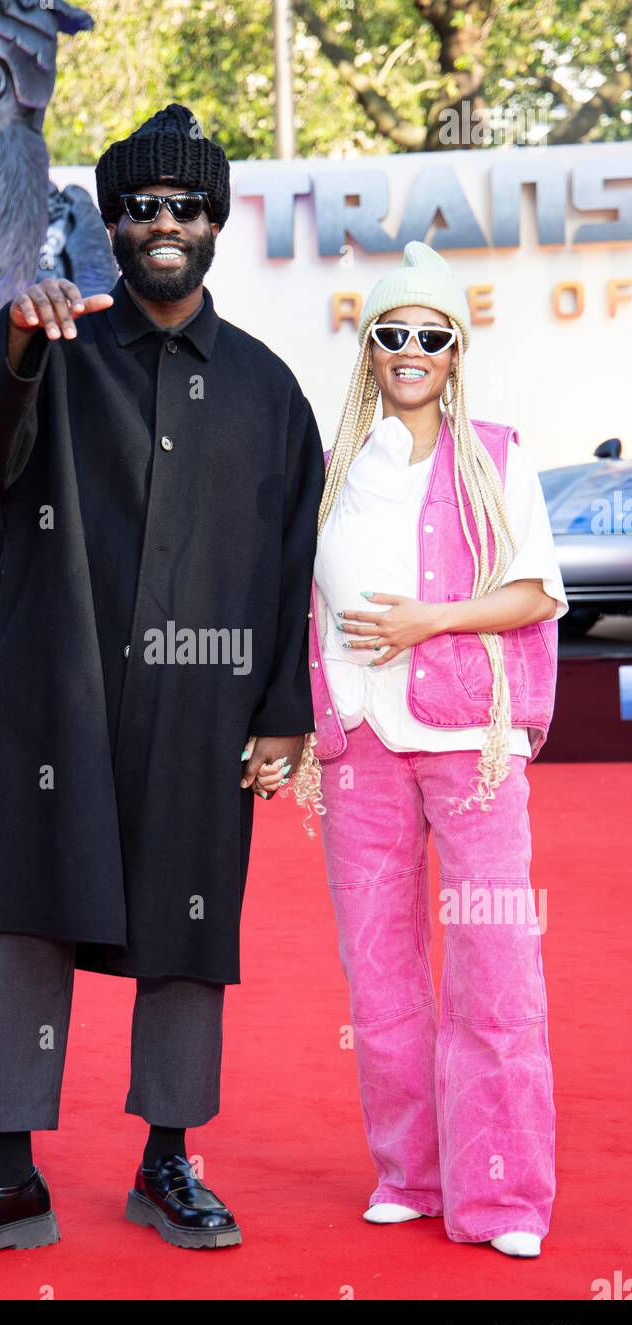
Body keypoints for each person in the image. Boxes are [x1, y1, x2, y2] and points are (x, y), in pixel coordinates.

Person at [0, 103, 324, 1265]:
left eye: (183, 205)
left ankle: (168, 1158)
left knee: (187, 930)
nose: (160, 224)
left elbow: (292, 564)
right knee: (22, 919)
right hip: (57, 702)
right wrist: (15, 342)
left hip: (203, 706)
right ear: (112, 228)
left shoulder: (273, 395)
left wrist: (284, 713)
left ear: (216, 222)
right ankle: (8, 1177)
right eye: (136, 207)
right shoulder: (53, 350)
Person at [258, 241, 567, 1257]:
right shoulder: (335, 473)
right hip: (359, 753)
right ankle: (412, 1174)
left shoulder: (498, 457)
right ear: (371, 349)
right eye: (393, 333)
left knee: (497, 967)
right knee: (380, 976)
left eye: (430, 335)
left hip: (471, 746)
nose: (411, 349)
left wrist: (427, 622)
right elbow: (289, 595)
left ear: (454, 351)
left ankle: (506, 1197)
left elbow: (534, 595)